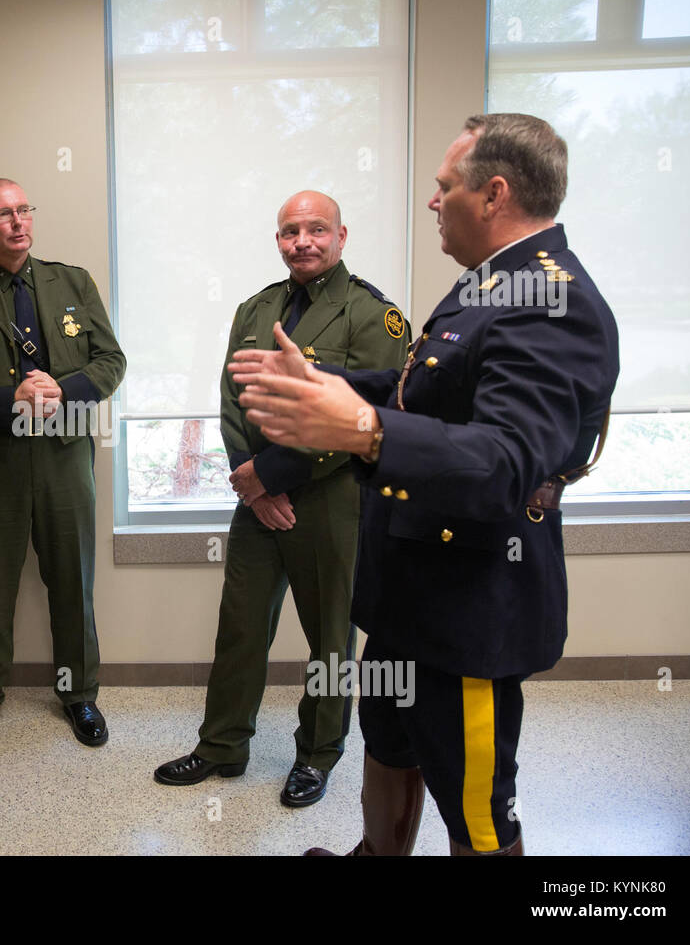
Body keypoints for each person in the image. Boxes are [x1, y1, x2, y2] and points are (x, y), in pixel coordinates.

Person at [233, 114, 618, 855]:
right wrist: (329, 384)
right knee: (392, 741)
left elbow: (506, 463)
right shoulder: (491, 284)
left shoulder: (552, 303)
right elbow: (423, 390)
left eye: (445, 187)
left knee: (475, 811)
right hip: (408, 597)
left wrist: (364, 430)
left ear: (494, 192)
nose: (434, 202)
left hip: (467, 614)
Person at [154, 192, 409, 807]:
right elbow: (231, 397)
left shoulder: (374, 315)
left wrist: (271, 476)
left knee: (328, 638)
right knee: (239, 628)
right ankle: (221, 746)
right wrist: (249, 474)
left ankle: (318, 755)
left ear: (341, 236)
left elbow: (366, 419)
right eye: (290, 231)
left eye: (316, 229)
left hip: (331, 497)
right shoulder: (256, 308)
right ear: (278, 240)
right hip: (255, 496)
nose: (303, 241)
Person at [0, 178, 126, 756]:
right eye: (2, 214)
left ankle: (79, 693)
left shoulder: (73, 282)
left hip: (65, 455)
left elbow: (111, 361)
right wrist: (7, 398)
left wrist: (60, 390)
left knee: (73, 578)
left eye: (23, 211)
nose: (17, 222)